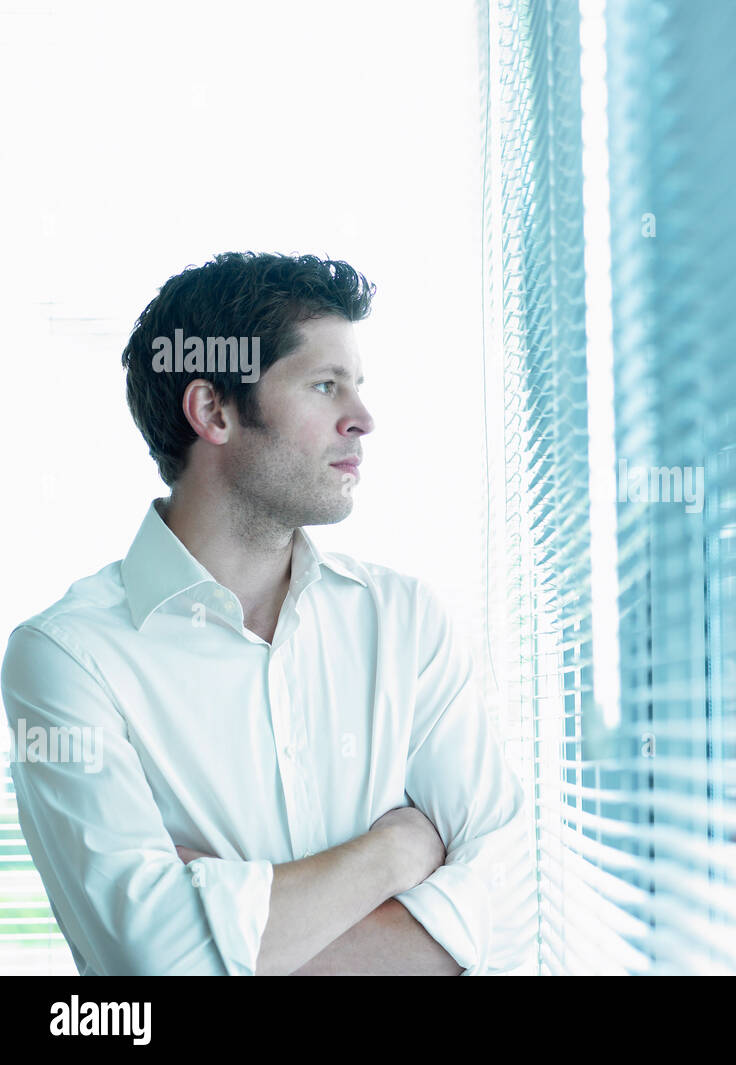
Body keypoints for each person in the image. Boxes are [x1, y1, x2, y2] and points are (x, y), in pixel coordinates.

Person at [0, 252, 535, 975]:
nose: (364, 419)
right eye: (325, 386)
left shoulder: (404, 623)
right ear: (214, 410)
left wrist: (234, 921)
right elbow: (154, 964)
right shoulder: (66, 657)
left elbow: (507, 904)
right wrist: (395, 853)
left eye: (358, 387)